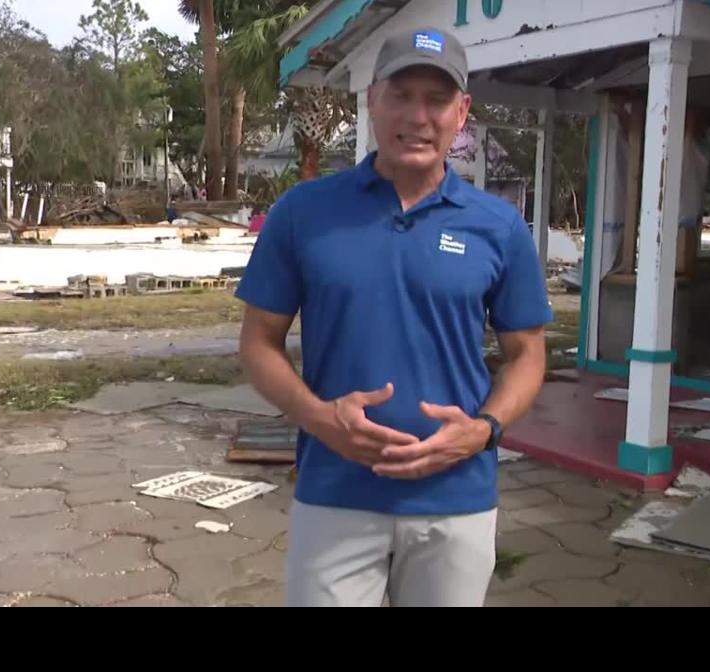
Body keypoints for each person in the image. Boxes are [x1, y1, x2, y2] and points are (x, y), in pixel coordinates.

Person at [236, 27, 552, 607]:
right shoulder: (304, 212)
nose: (418, 117)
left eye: (437, 100)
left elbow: (527, 354)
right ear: (371, 100)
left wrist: (484, 430)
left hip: (455, 500)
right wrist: (320, 418)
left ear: (462, 112)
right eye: (401, 95)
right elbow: (258, 342)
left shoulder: (498, 225)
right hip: (335, 494)